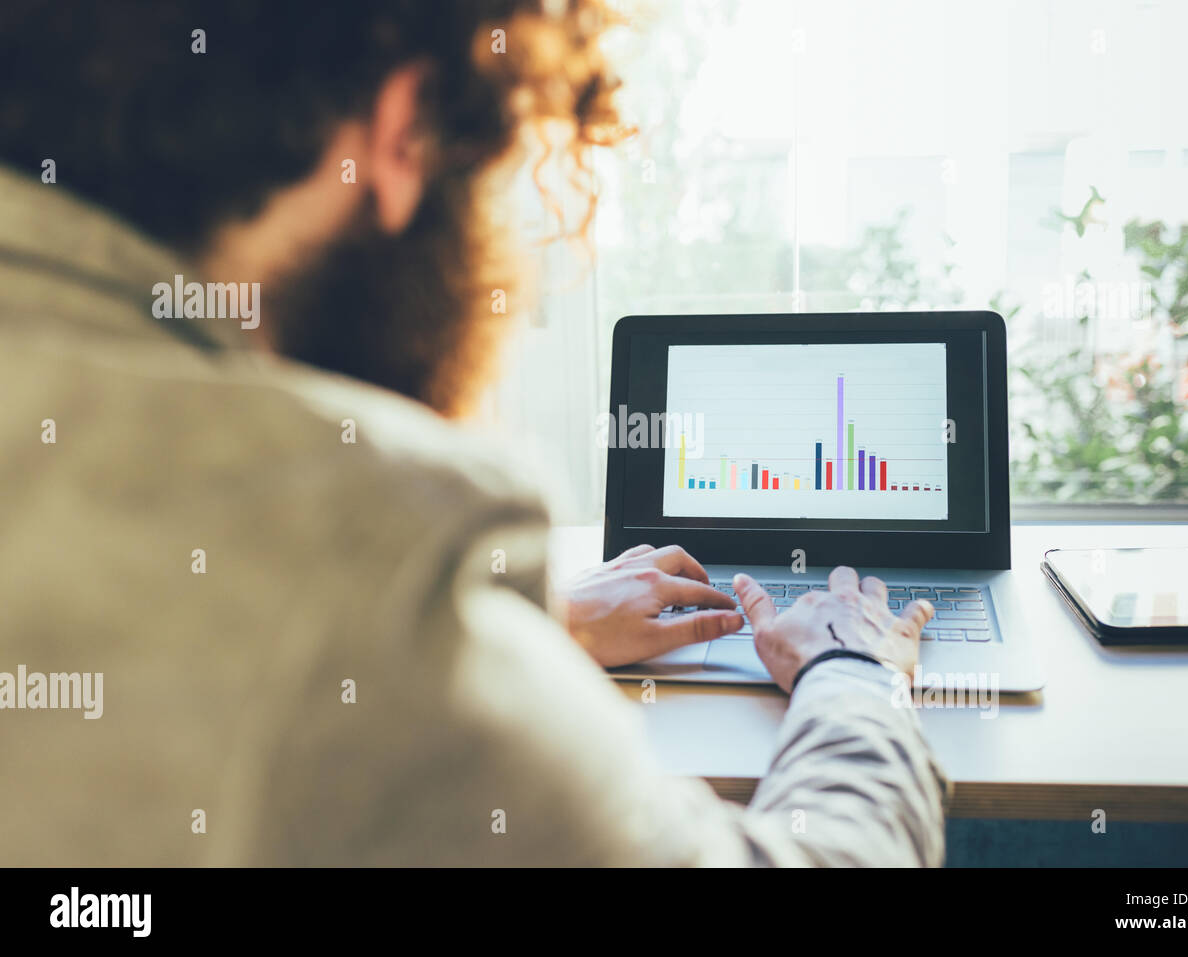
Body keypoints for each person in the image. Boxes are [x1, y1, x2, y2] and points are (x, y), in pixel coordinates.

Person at [0, 0, 947, 866]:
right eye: (494, 172)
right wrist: (853, 674)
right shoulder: (358, 566)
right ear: (403, 131)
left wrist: (523, 636)